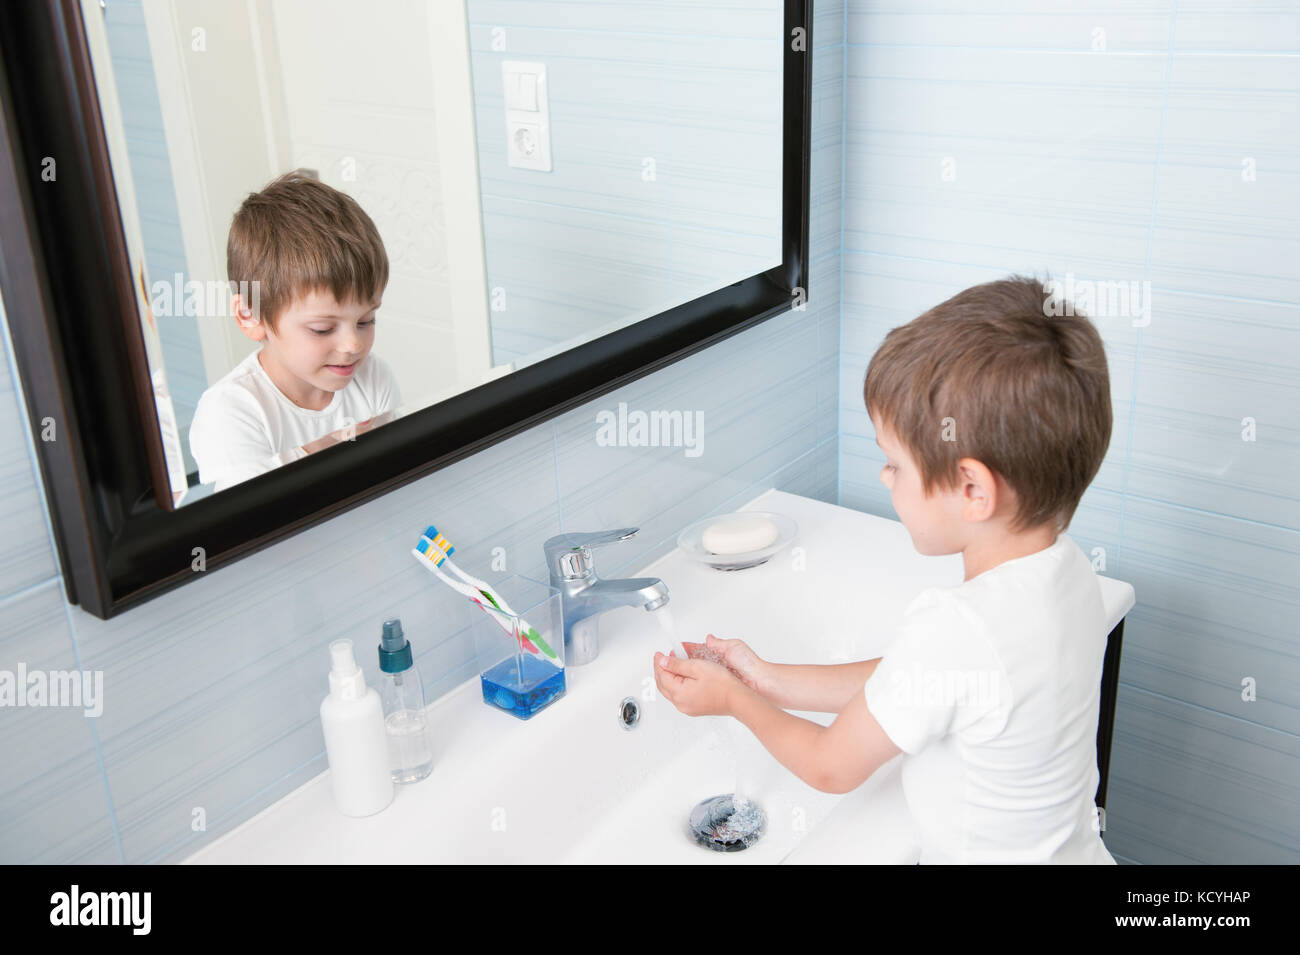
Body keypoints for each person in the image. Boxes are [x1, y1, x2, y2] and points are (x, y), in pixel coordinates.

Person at [654, 275, 1117, 864]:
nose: (883, 476)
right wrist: (767, 677)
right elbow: (919, 681)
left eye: (894, 463)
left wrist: (733, 702)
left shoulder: (953, 625)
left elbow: (829, 767)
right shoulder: (1069, 573)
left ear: (973, 490)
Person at [188, 172, 401, 492]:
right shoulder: (231, 412)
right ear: (251, 315)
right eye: (323, 329)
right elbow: (247, 528)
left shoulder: (372, 379)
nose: (353, 344)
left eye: (366, 320)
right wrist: (317, 453)